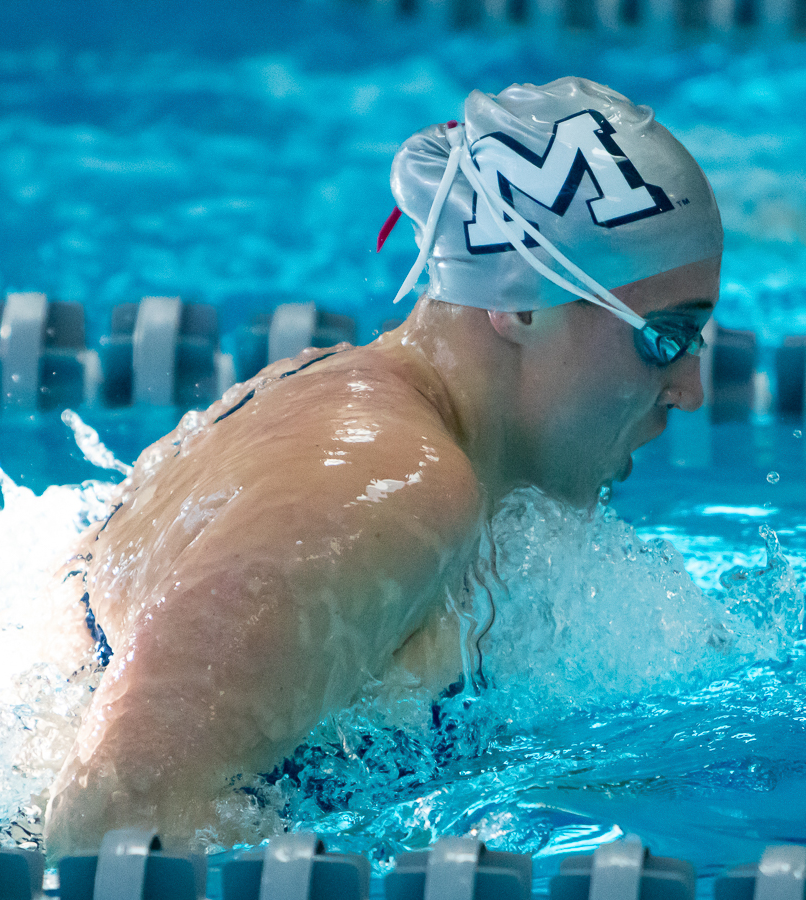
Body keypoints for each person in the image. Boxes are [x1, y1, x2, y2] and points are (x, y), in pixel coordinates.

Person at [42, 76, 724, 855]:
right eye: (665, 338)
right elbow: (109, 831)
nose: (689, 389)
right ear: (524, 303)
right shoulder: (385, 488)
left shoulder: (350, 399)